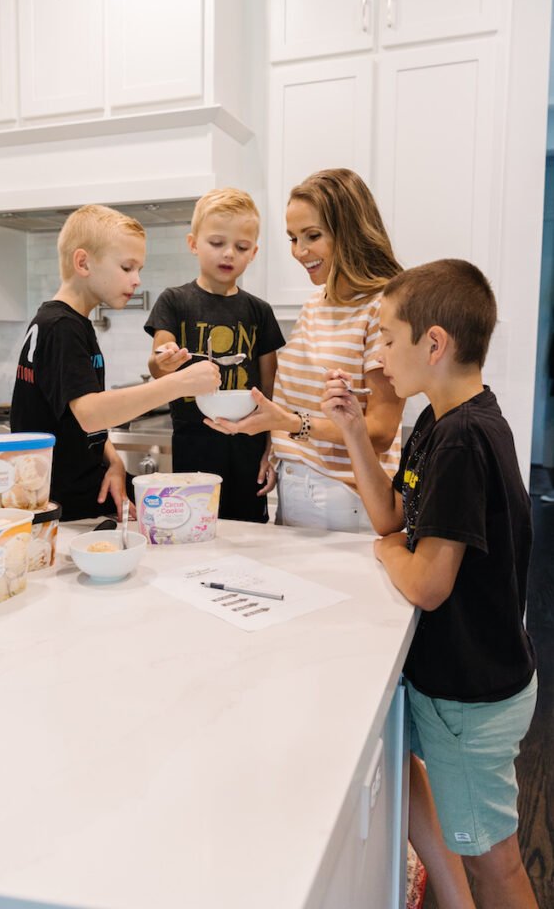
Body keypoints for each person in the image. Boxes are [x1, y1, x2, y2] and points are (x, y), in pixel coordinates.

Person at [321, 259, 538, 909]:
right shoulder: (437, 423)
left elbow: (427, 584)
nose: (379, 355)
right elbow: (392, 515)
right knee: (410, 779)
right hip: (448, 687)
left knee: (493, 859)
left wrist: (390, 554)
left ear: (433, 343)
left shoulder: (463, 442)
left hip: (469, 700)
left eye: (386, 338)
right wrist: (355, 433)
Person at [207, 168, 404, 532]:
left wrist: (291, 425)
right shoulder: (316, 302)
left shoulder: (383, 308)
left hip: (344, 497)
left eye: (313, 235)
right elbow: (296, 398)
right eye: (293, 238)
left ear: (350, 231)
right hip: (294, 484)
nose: (300, 252)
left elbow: (380, 432)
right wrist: (274, 446)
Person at [10, 204, 219, 521]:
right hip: (62, 508)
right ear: (83, 263)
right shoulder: (61, 327)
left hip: (82, 494)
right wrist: (180, 383)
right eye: (126, 267)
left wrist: (114, 462)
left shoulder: (71, 322)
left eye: (139, 269)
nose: (136, 280)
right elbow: (91, 414)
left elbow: (76, 418)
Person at [144, 188, 285, 523]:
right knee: (192, 530)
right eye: (217, 243)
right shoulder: (174, 302)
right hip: (193, 445)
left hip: (247, 447)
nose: (229, 254)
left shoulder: (259, 311)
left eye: (241, 247)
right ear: (193, 244)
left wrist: (271, 446)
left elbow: (271, 388)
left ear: (254, 253)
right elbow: (157, 366)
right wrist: (164, 360)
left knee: (248, 536)